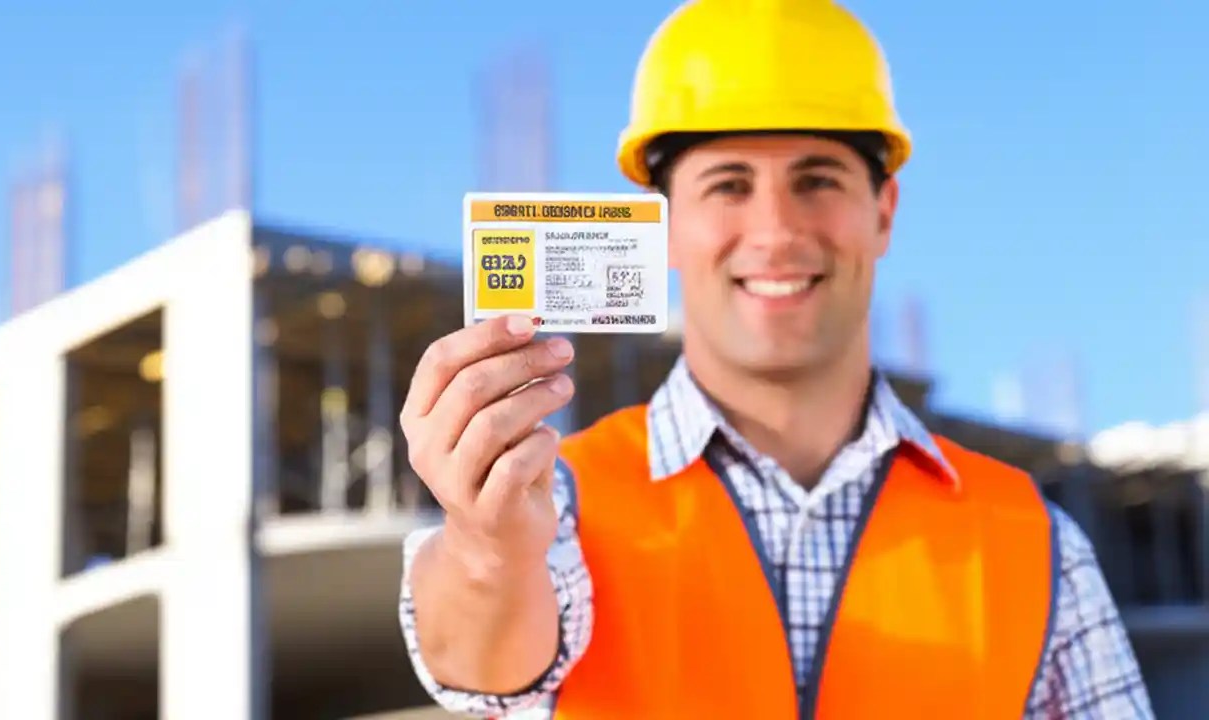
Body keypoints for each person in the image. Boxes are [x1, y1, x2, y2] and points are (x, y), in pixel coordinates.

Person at [396, 0, 1155, 717]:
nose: (776, 230)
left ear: (884, 210)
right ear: (662, 228)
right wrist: (487, 553)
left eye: (816, 180)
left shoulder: (1030, 540)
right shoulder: (558, 500)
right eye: (729, 185)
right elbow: (484, 663)